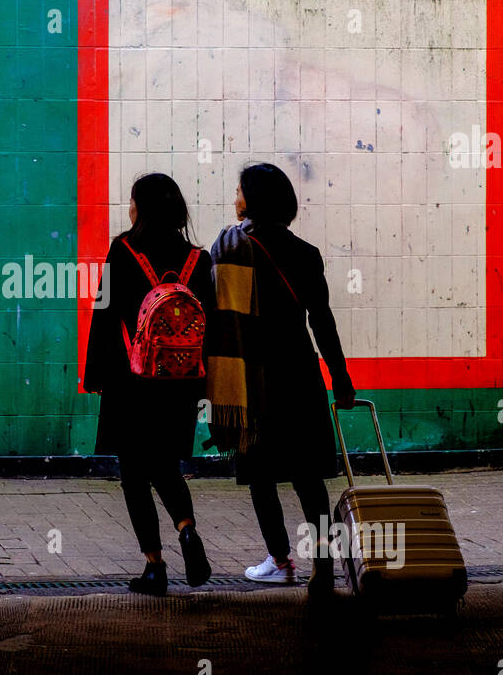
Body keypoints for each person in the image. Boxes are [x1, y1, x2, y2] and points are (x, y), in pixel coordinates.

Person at [206, 162, 356, 599]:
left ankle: (280, 560)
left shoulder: (228, 247)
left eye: (238, 190)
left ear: (252, 198)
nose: (234, 198)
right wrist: (341, 379)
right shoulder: (305, 253)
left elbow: (214, 316)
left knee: (260, 473)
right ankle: (323, 567)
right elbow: (322, 322)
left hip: (250, 380)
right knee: (309, 478)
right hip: (299, 374)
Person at [84, 173, 217, 596]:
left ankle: (155, 567)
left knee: (134, 475)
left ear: (139, 208)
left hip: (130, 382)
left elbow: (104, 314)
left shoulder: (122, 250)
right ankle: (188, 529)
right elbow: (208, 327)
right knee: (165, 465)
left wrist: (96, 375)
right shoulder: (199, 259)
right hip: (179, 384)